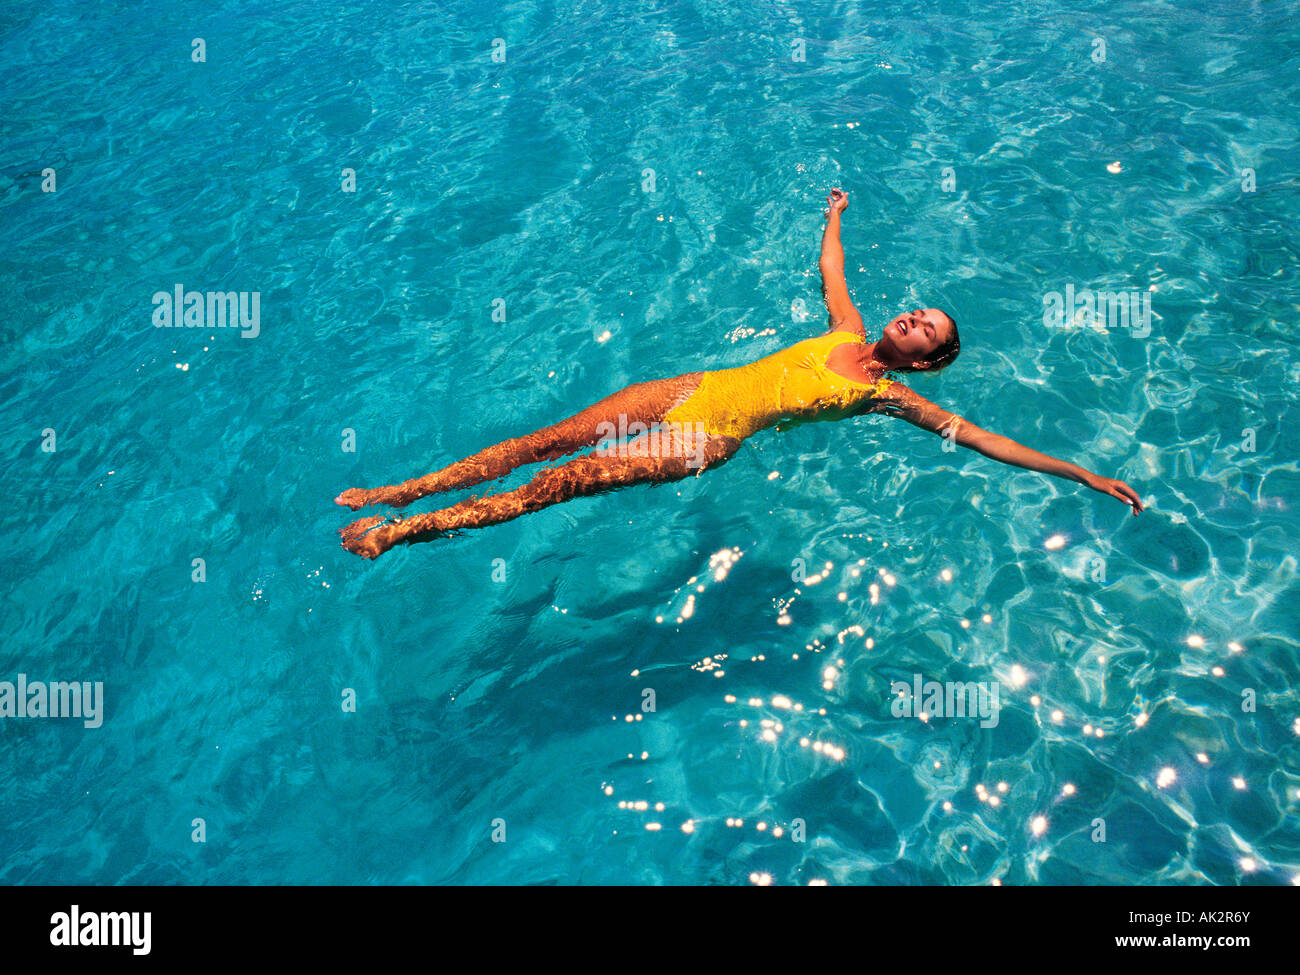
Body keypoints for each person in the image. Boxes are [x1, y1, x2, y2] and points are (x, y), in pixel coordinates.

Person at [336, 188, 1142, 559]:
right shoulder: (850, 327)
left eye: (925, 330)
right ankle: (396, 491)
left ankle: (401, 533)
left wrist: (1078, 472)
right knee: (544, 440)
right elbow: (832, 270)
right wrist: (833, 217)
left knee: (565, 478)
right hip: (692, 388)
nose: (913, 318)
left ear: (925, 360)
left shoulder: (887, 398)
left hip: (708, 435)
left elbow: (988, 441)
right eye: (919, 310)